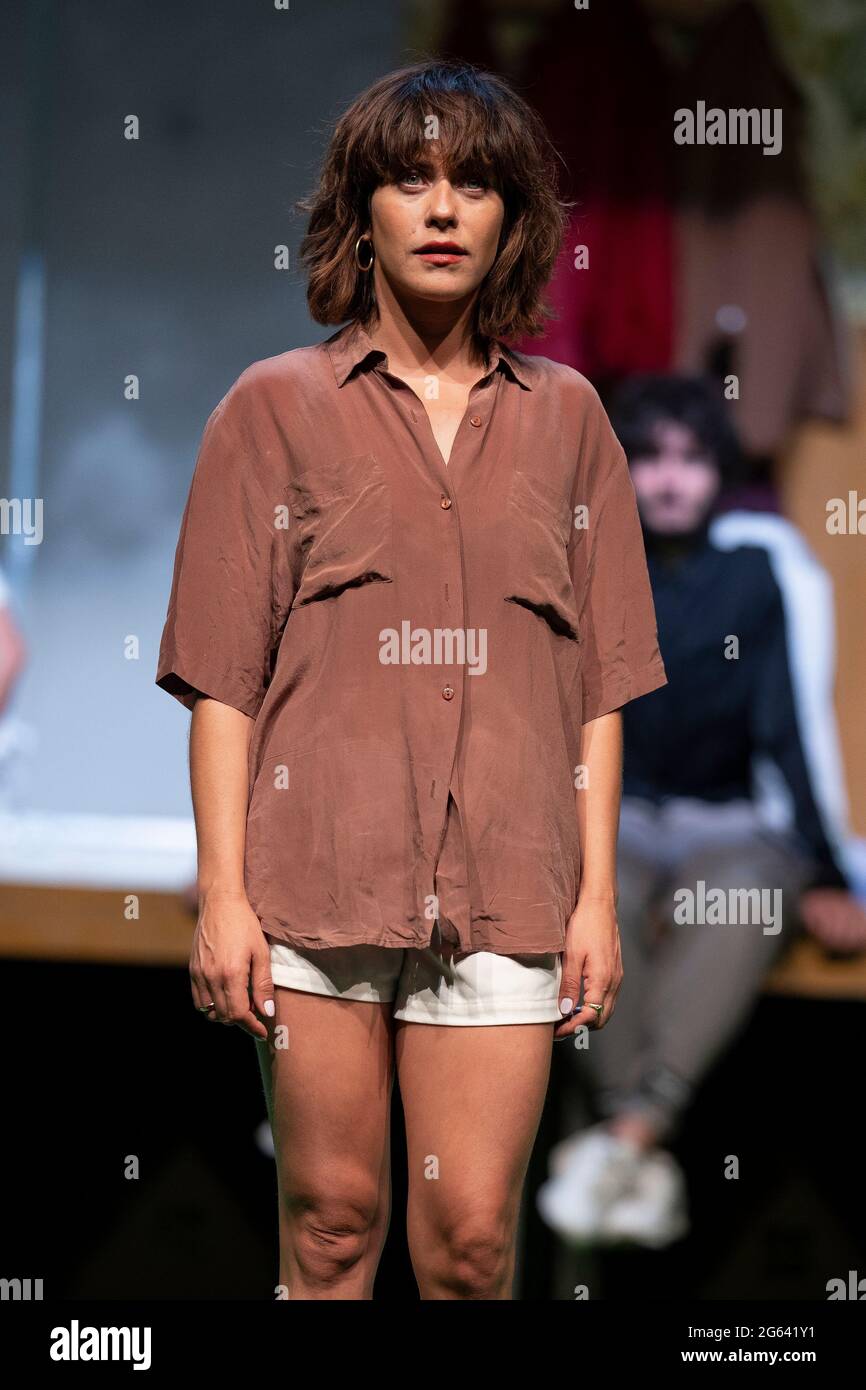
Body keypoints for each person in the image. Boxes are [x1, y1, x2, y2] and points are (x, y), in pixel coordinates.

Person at [154, 60, 667, 1300]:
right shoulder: (270, 409)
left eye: (474, 184)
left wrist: (594, 899)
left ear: (511, 223)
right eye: (411, 178)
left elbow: (599, 687)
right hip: (316, 882)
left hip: (504, 884)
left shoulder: (571, 422)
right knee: (330, 1224)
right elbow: (222, 680)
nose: (442, 209)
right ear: (362, 211)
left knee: (474, 1243)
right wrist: (223, 895)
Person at [537, 374, 866, 1250]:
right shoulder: (583, 566)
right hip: (617, 815)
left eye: (689, 459)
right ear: (620, 470)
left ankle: (624, 1137)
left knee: (753, 892)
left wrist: (829, 873)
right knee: (583, 894)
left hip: (727, 821)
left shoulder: (754, 574)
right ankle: (637, 1139)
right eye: (648, 459)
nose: (671, 479)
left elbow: (786, 725)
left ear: (718, 472)